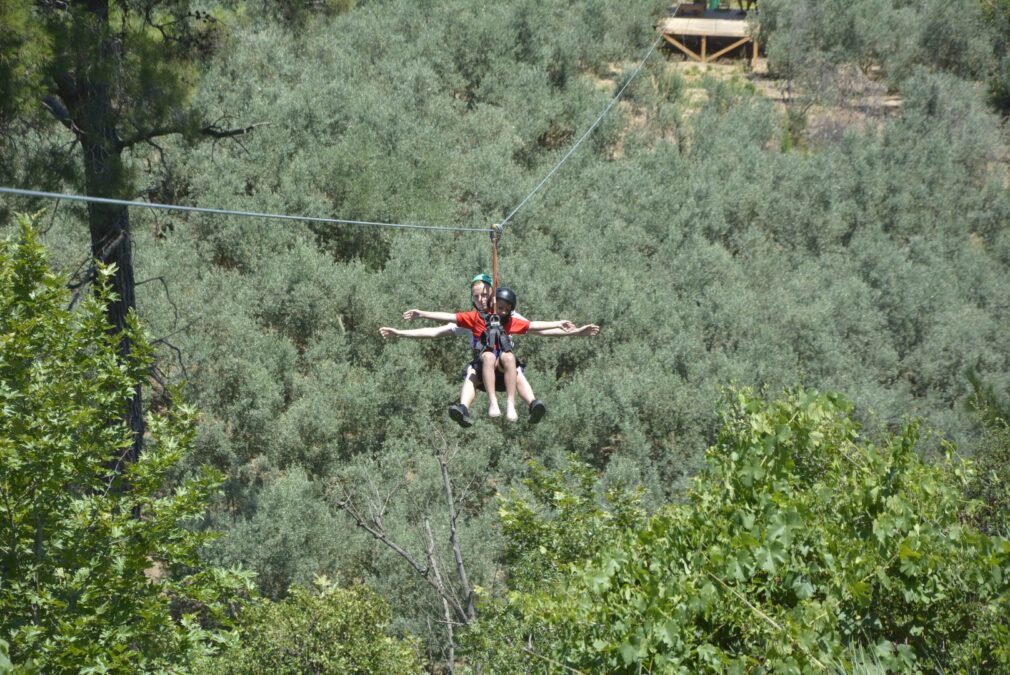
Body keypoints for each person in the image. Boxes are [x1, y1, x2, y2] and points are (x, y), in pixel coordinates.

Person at [379, 275, 599, 426]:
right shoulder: (472, 320)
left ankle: (531, 404)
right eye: (476, 297)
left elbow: (539, 328)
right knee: (473, 372)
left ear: (495, 297)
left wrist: (574, 331)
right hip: (485, 369)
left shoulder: (510, 317)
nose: (480, 300)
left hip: (505, 368)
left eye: (484, 296)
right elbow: (437, 330)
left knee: (514, 364)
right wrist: (403, 330)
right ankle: (464, 408)